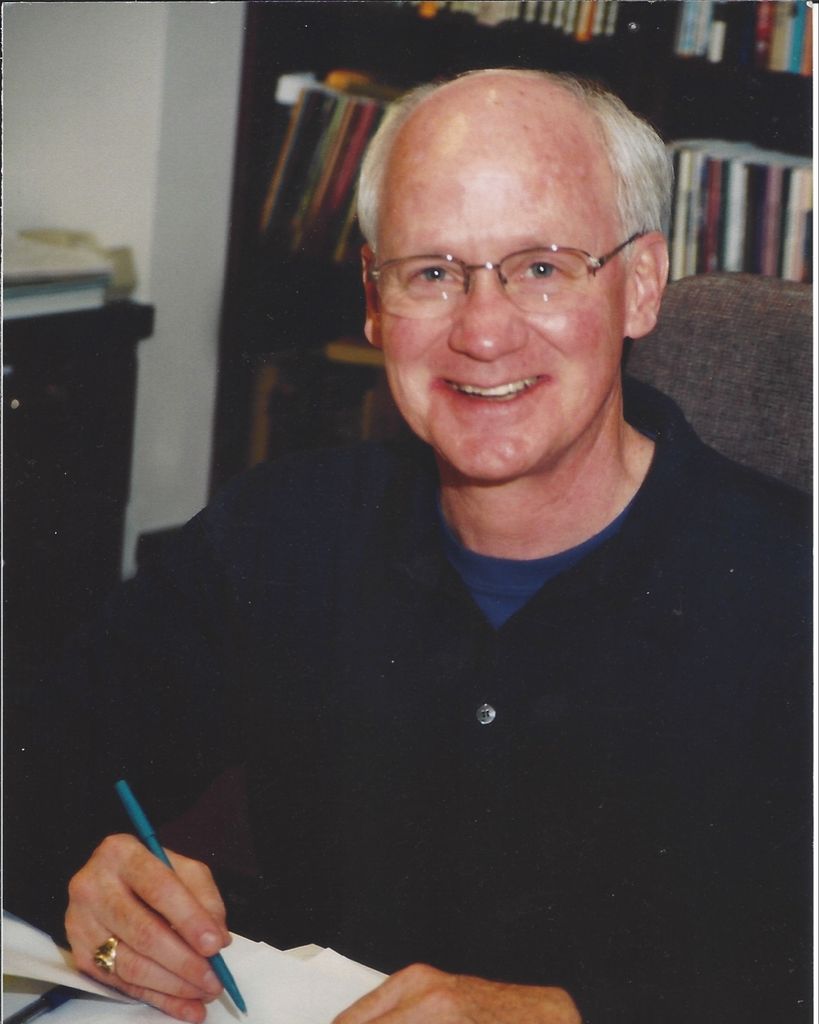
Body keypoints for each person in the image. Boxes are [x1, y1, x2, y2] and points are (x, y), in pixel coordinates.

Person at [6, 69, 811, 1024]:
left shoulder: (787, 589)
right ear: (374, 301)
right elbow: (33, 770)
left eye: (540, 267)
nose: (482, 333)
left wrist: (567, 1015)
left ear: (639, 286)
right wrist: (89, 885)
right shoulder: (279, 532)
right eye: (431, 273)